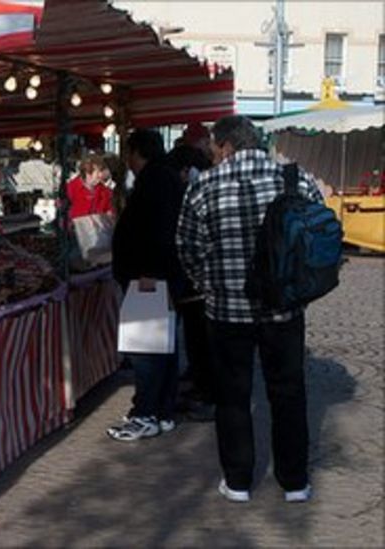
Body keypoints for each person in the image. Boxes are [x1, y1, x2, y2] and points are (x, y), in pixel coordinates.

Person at [176, 115, 323, 504]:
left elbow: (186, 246)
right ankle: (294, 483)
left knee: (233, 396)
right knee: (289, 393)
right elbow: (318, 234)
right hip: (283, 309)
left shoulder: (204, 185)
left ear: (225, 146)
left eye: (213, 148)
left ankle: (238, 482)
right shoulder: (295, 177)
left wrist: (208, 285)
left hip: (227, 311)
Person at [107, 129, 187, 442]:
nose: (127, 160)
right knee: (163, 346)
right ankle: (163, 411)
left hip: (150, 278)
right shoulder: (166, 178)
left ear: (138, 152)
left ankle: (145, 414)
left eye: (129, 153)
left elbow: (157, 231)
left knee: (146, 349)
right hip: (160, 275)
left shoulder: (155, 181)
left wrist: (149, 271)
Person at [165, 145, 215, 422]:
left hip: (199, 287)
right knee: (200, 341)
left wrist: (192, 277)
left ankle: (206, 393)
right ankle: (203, 386)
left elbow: (187, 243)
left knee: (200, 341)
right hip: (205, 285)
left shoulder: (198, 192)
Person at [66, 153, 114, 220]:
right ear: (87, 173)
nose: (100, 175)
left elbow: (111, 214)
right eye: (97, 172)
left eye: (101, 171)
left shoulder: (106, 192)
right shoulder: (70, 188)